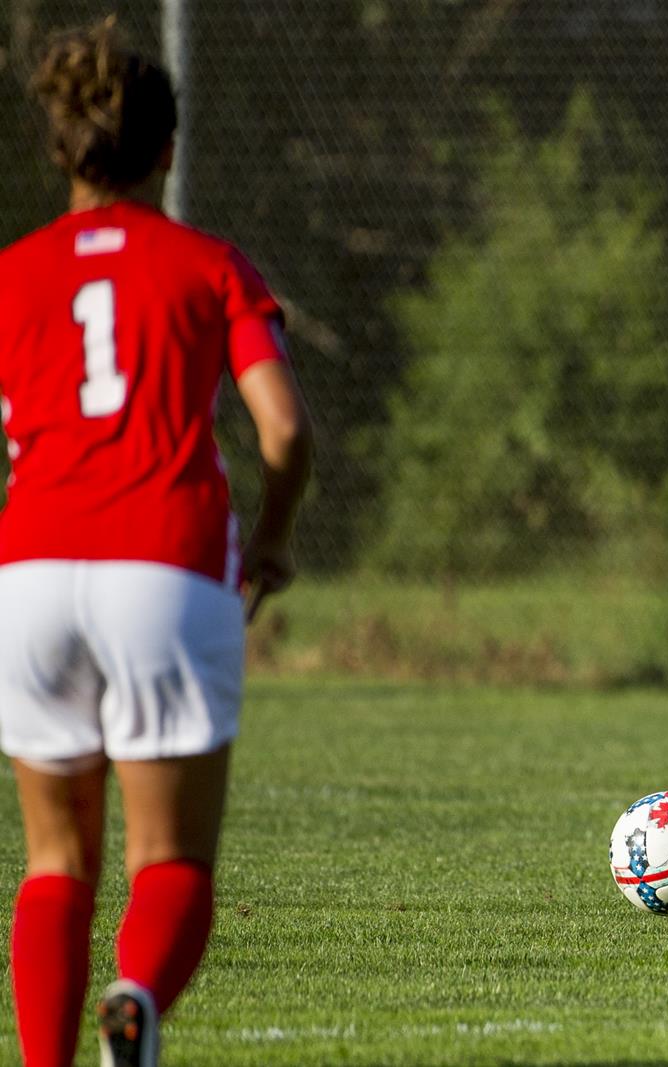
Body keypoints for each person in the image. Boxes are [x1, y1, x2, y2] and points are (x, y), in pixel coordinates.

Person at [0, 20, 312, 1067]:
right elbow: (284, 431)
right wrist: (271, 539)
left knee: (55, 859)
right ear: (167, 153)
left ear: (61, 150)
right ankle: (134, 999)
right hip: (164, 563)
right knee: (169, 857)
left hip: (32, 570)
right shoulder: (208, 265)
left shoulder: (12, 276)